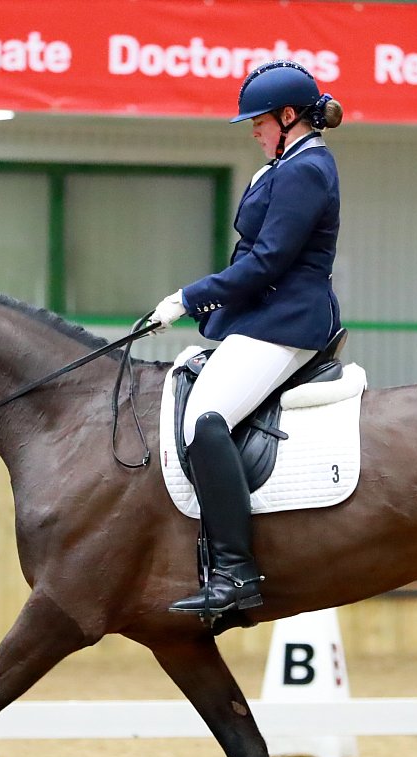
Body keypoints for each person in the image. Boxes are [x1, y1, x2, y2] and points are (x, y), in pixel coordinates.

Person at [147, 60, 345, 621]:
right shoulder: (285, 165)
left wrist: (190, 297)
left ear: (288, 117)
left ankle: (235, 571)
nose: (253, 130)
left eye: (259, 121)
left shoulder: (307, 169)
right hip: (267, 316)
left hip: (289, 320)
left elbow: (268, 262)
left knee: (205, 418)